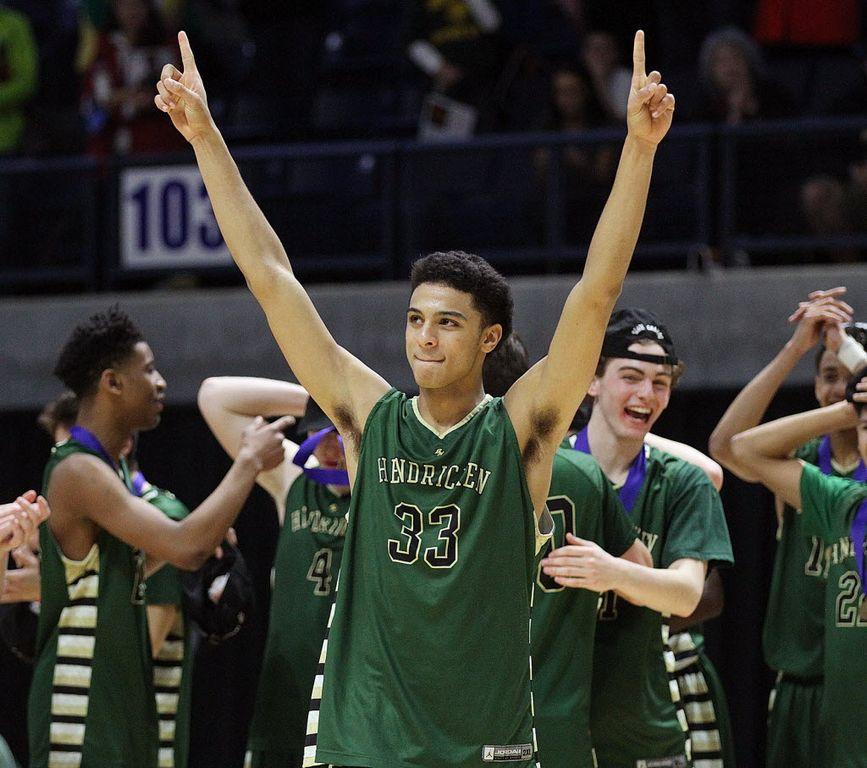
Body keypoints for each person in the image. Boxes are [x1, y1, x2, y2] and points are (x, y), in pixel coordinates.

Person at [155, 28, 675, 767]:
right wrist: (206, 138)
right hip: (366, 742)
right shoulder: (370, 418)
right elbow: (271, 277)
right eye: (415, 320)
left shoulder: (518, 431)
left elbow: (596, 294)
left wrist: (638, 149)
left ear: (490, 338)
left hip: (485, 744)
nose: (424, 338)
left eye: (447, 324)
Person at [29, 306, 288, 768]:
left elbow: (131, 565)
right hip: (81, 703)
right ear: (112, 382)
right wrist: (248, 461)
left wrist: (196, 537)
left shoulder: (104, 469)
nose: (161, 382)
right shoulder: (78, 469)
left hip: (116, 701)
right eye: (148, 370)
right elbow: (187, 547)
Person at [542, 309, 734, 768]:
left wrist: (610, 572)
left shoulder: (682, 482)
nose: (647, 394)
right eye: (631, 377)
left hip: (641, 731)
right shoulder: (547, 469)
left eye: (660, 383)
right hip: (549, 723)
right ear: (592, 381)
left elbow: (686, 594)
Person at [710, 287, 865, 768]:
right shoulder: (803, 468)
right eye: (830, 377)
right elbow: (726, 446)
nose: (841, 388)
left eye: (852, 380)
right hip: (801, 686)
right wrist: (797, 349)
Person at [196, 376, 351, 768]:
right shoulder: (296, 479)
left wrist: (363, 406)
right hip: (285, 701)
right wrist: (321, 397)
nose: (328, 448)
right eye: (318, 432)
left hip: (350, 708)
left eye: (339, 433)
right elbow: (214, 397)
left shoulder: (389, 492)